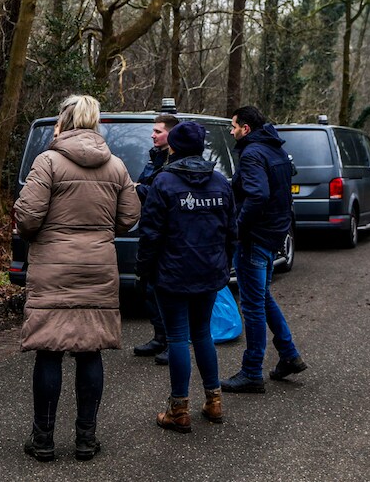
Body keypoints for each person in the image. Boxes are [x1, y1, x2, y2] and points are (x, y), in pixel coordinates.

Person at [14, 95, 140, 462]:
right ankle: (86, 440)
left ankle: (43, 441)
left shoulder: (48, 161)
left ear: (64, 121)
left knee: (49, 350)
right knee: (90, 350)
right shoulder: (116, 166)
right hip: (98, 266)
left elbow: (29, 217)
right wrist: (101, 230)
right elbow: (130, 215)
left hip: (53, 265)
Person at [136, 121, 235, 432]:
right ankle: (213, 401)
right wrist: (222, 265)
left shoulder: (164, 183)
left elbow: (150, 234)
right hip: (208, 273)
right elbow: (232, 233)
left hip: (172, 274)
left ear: (174, 148)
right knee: (202, 334)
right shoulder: (220, 182)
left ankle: (179, 409)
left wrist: (144, 270)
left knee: (179, 337)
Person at [221, 106, 307, 394]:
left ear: (245, 128)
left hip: (255, 239)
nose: (231, 132)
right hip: (272, 236)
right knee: (262, 297)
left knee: (253, 305)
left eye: (234, 126)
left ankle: (251, 371)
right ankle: (289, 354)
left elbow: (258, 195)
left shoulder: (252, 154)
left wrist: (238, 229)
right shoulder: (276, 150)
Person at [132, 114, 179, 366]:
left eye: (158, 131)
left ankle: (174, 342)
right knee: (148, 287)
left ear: (171, 135)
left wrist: (138, 188)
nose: (153, 135)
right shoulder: (155, 158)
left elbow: (161, 194)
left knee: (165, 291)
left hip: (168, 235)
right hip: (149, 230)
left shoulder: (175, 161)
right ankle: (159, 337)